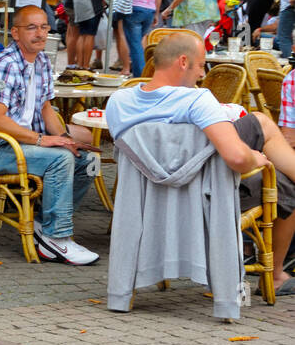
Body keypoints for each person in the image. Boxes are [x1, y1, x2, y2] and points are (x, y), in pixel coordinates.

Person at [110, 31, 295, 296]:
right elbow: (236, 158)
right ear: (183, 62)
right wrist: (256, 158)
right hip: (205, 197)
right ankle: (276, 274)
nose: (202, 73)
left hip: (146, 200)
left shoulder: (120, 101)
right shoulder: (197, 100)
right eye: (200, 65)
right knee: (269, 146)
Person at [0, 6, 99, 265]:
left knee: (87, 161)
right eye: (32, 28)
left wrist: (65, 139)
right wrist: (45, 141)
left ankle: (45, 226)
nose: (40, 33)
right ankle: (58, 238)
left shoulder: (42, 61)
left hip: (21, 144)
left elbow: (45, 109)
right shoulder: (4, 65)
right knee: (60, 160)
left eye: (44, 27)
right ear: (15, 33)